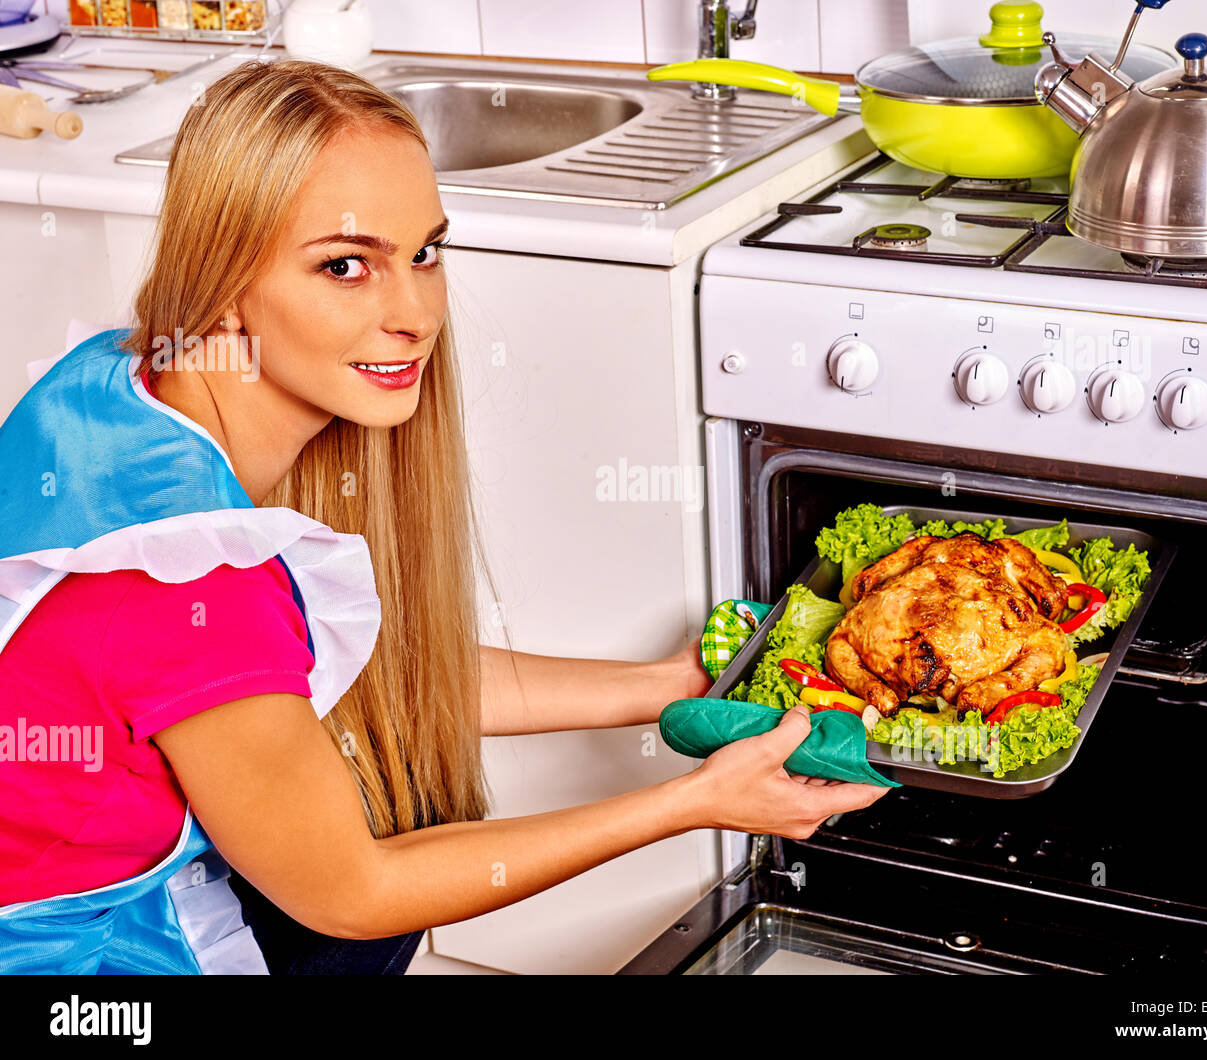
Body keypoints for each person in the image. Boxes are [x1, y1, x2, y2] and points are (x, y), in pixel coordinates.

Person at [0, 59, 891, 975]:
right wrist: (694, 800)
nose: (414, 312)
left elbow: (317, 678)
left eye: (423, 251)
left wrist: (664, 684)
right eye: (345, 266)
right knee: (386, 880)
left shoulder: (119, 389)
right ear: (223, 280)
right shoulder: (191, 580)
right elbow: (353, 890)